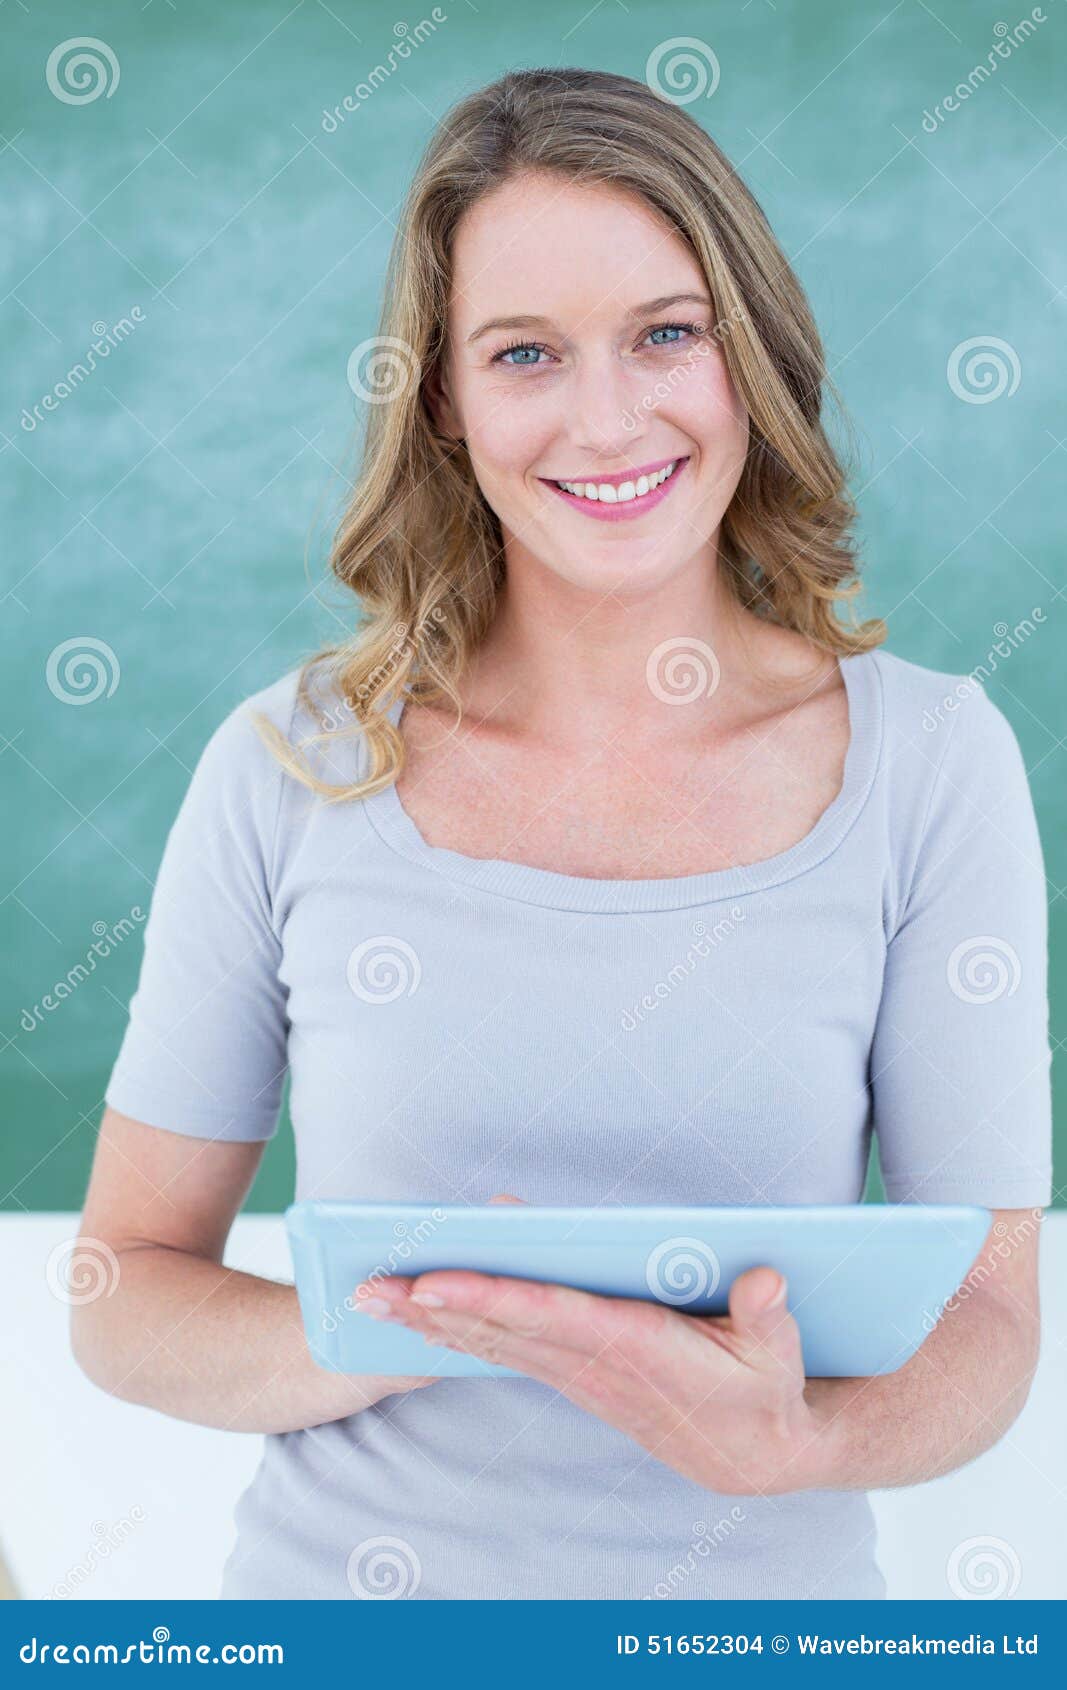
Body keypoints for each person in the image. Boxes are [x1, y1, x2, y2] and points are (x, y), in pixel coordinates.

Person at [72, 67, 1051, 1601]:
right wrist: (418, 1316)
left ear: (752, 360)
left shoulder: (932, 764)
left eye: (666, 333)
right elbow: (119, 1289)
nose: (609, 418)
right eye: (525, 352)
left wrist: (789, 1446)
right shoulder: (290, 766)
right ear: (447, 401)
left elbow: (991, 1326)